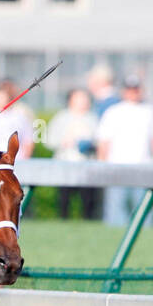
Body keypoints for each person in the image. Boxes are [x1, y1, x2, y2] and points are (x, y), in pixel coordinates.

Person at [94, 74, 153, 226]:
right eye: (129, 89)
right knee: (115, 210)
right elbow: (104, 142)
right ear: (124, 91)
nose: (133, 92)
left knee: (144, 210)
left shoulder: (150, 112)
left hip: (143, 166)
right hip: (116, 166)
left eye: (136, 89)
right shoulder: (113, 112)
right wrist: (102, 165)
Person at [45, 87, 99, 219]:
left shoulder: (93, 118)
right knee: (64, 198)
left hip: (87, 164)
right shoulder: (61, 118)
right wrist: (64, 142)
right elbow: (49, 140)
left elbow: (100, 140)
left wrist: (90, 144)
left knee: (88, 200)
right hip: (65, 163)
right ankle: (63, 221)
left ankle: (88, 222)